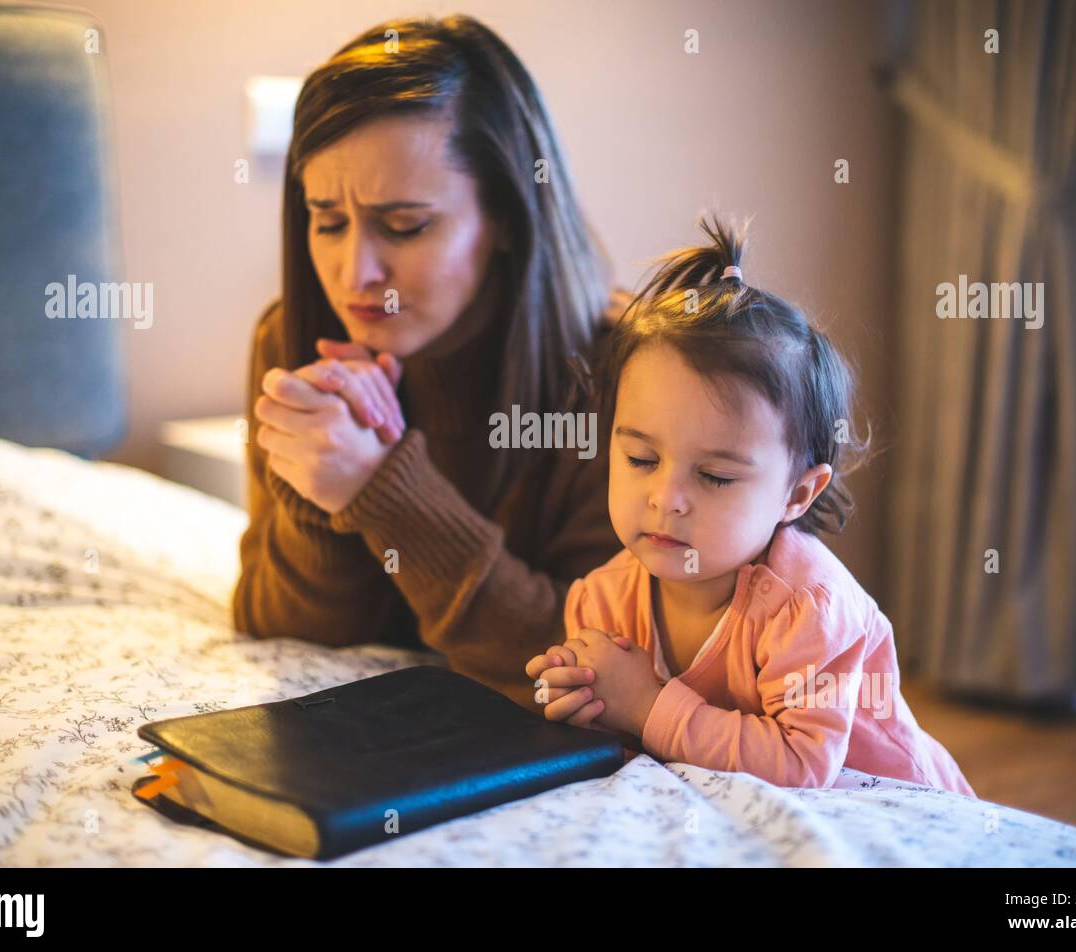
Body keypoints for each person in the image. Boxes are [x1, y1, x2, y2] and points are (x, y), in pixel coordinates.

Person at [234, 14, 627, 710]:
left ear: (507, 215)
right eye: (327, 220)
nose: (355, 271)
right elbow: (283, 632)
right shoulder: (293, 347)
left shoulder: (623, 374)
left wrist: (385, 489)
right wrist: (319, 501)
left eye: (406, 225)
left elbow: (598, 666)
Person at [526, 215, 977, 796]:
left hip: (895, 809)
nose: (666, 498)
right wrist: (579, 695)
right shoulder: (603, 600)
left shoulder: (806, 610)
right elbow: (631, 749)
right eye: (641, 460)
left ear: (796, 494)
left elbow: (802, 766)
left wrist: (647, 705)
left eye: (714, 476)